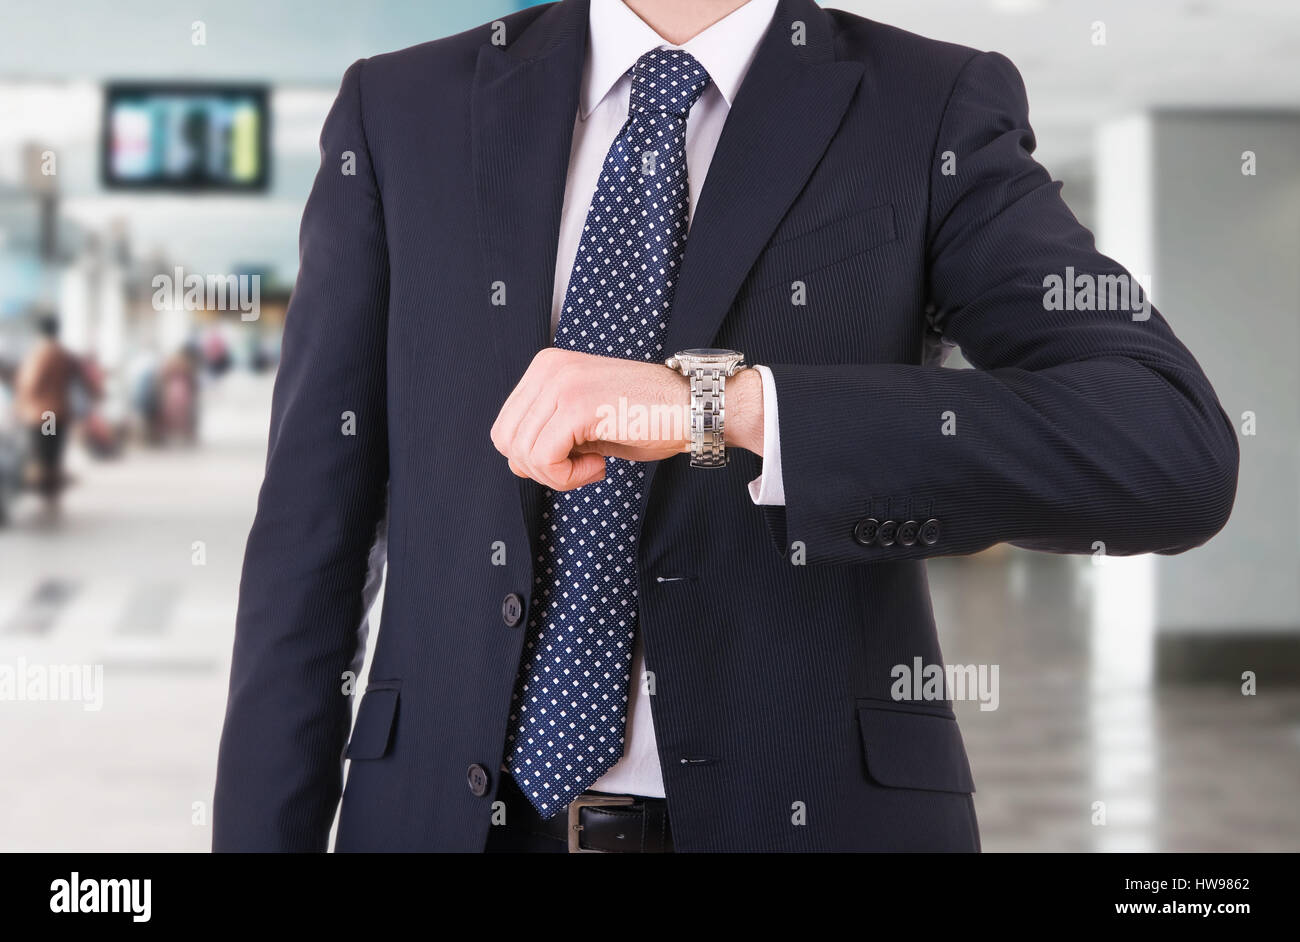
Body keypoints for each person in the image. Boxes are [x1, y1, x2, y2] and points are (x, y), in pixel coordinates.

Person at [213, 0, 1239, 852]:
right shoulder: (401, 111)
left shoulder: (929, 106)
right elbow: (313, 531)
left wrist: (730, 407)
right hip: (442, 820)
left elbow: (1167, 447)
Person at [13, 313, 97, 516]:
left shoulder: (41, 353)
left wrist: (19, 406)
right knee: (52, 455)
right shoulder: (65, 354)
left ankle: (47, 497)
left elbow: (30, 384)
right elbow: (86, 382)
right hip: (58, 412)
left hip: (43, 413)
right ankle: (50, 497)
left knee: (44, 454)